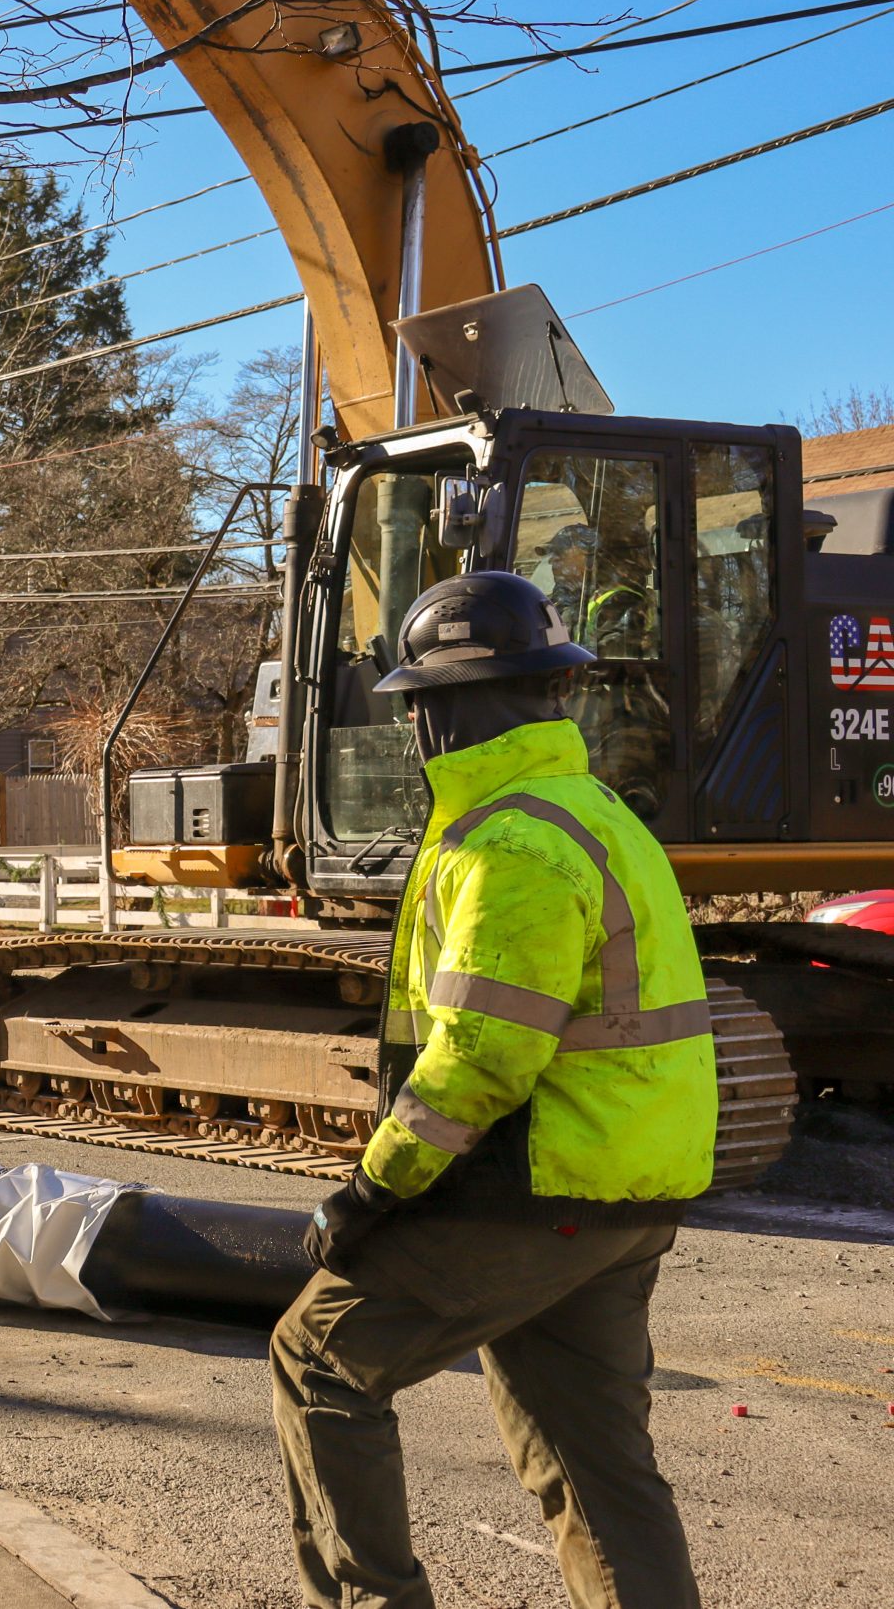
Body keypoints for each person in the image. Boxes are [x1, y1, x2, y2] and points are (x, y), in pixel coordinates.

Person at [271, 570, 714, 1609]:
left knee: (320, 1359)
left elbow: (481, 1055)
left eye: (415, 707)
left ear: (441, 713)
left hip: (535, 1182)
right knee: (592, 1461)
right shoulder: (592, 810)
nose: (412, 731)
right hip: (621, 1187)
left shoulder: (508, 842)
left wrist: (372, 1190)